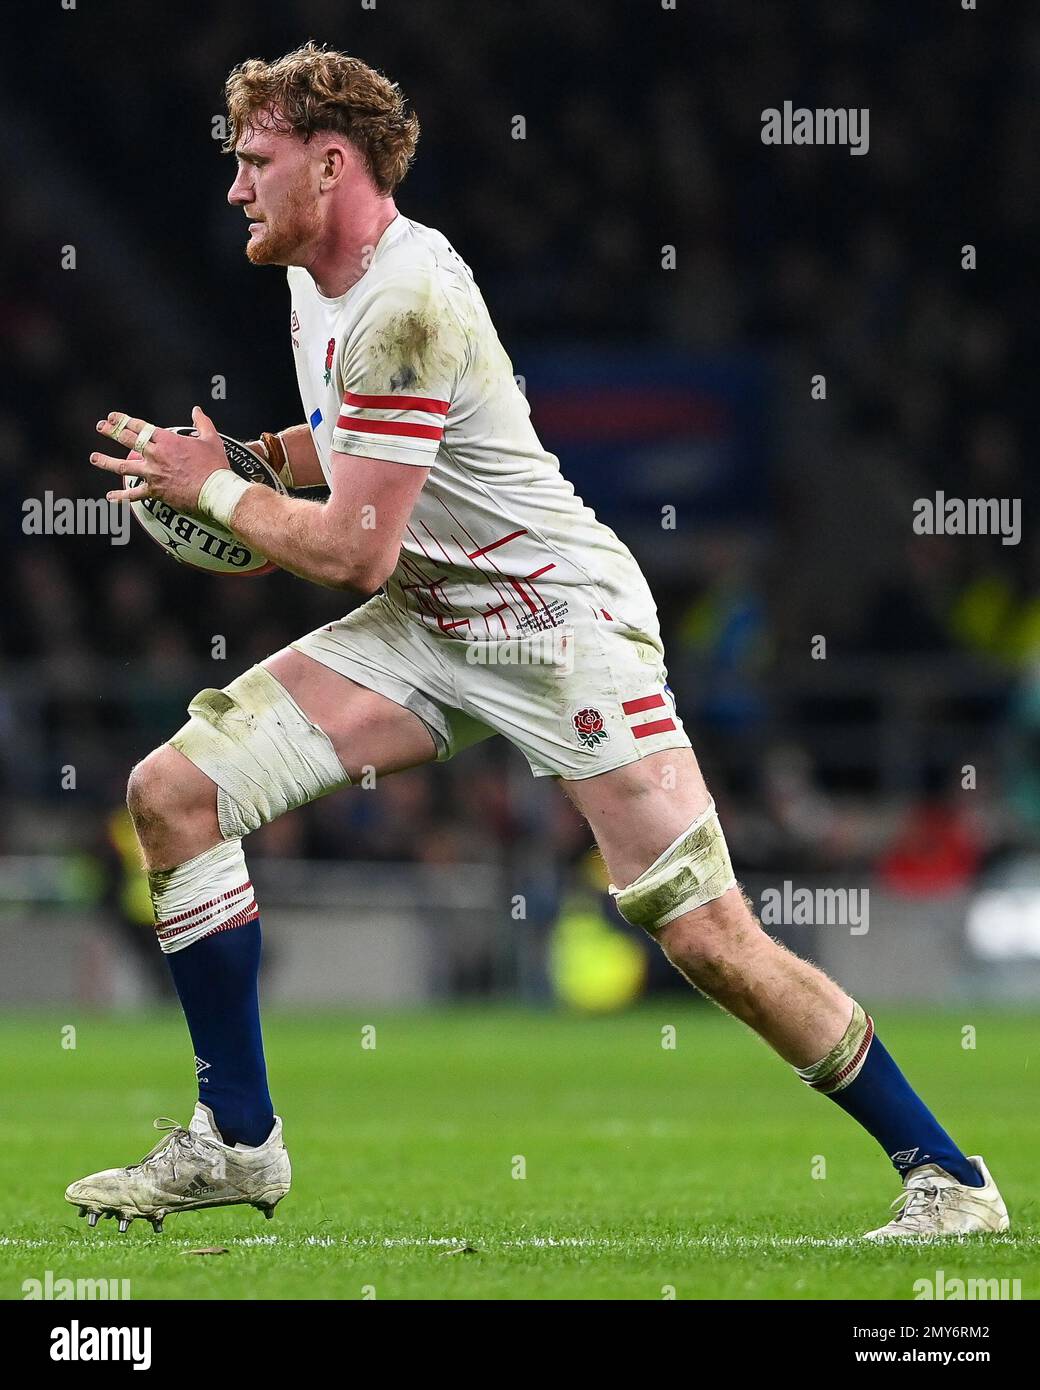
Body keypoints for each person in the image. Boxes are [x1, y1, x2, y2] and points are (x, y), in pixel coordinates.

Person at [69, 44, 1008, 1240]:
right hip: (431, 619)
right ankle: (238, 1142)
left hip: (554, 625)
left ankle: (946, 1174)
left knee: (705, 933)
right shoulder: (319, 278)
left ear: (331, 162)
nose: (234, 189)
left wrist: (213, 493)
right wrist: (251, 461)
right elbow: (349, 447)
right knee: (174, 792)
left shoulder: (406, 300)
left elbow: (352, 548)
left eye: (255, 163)